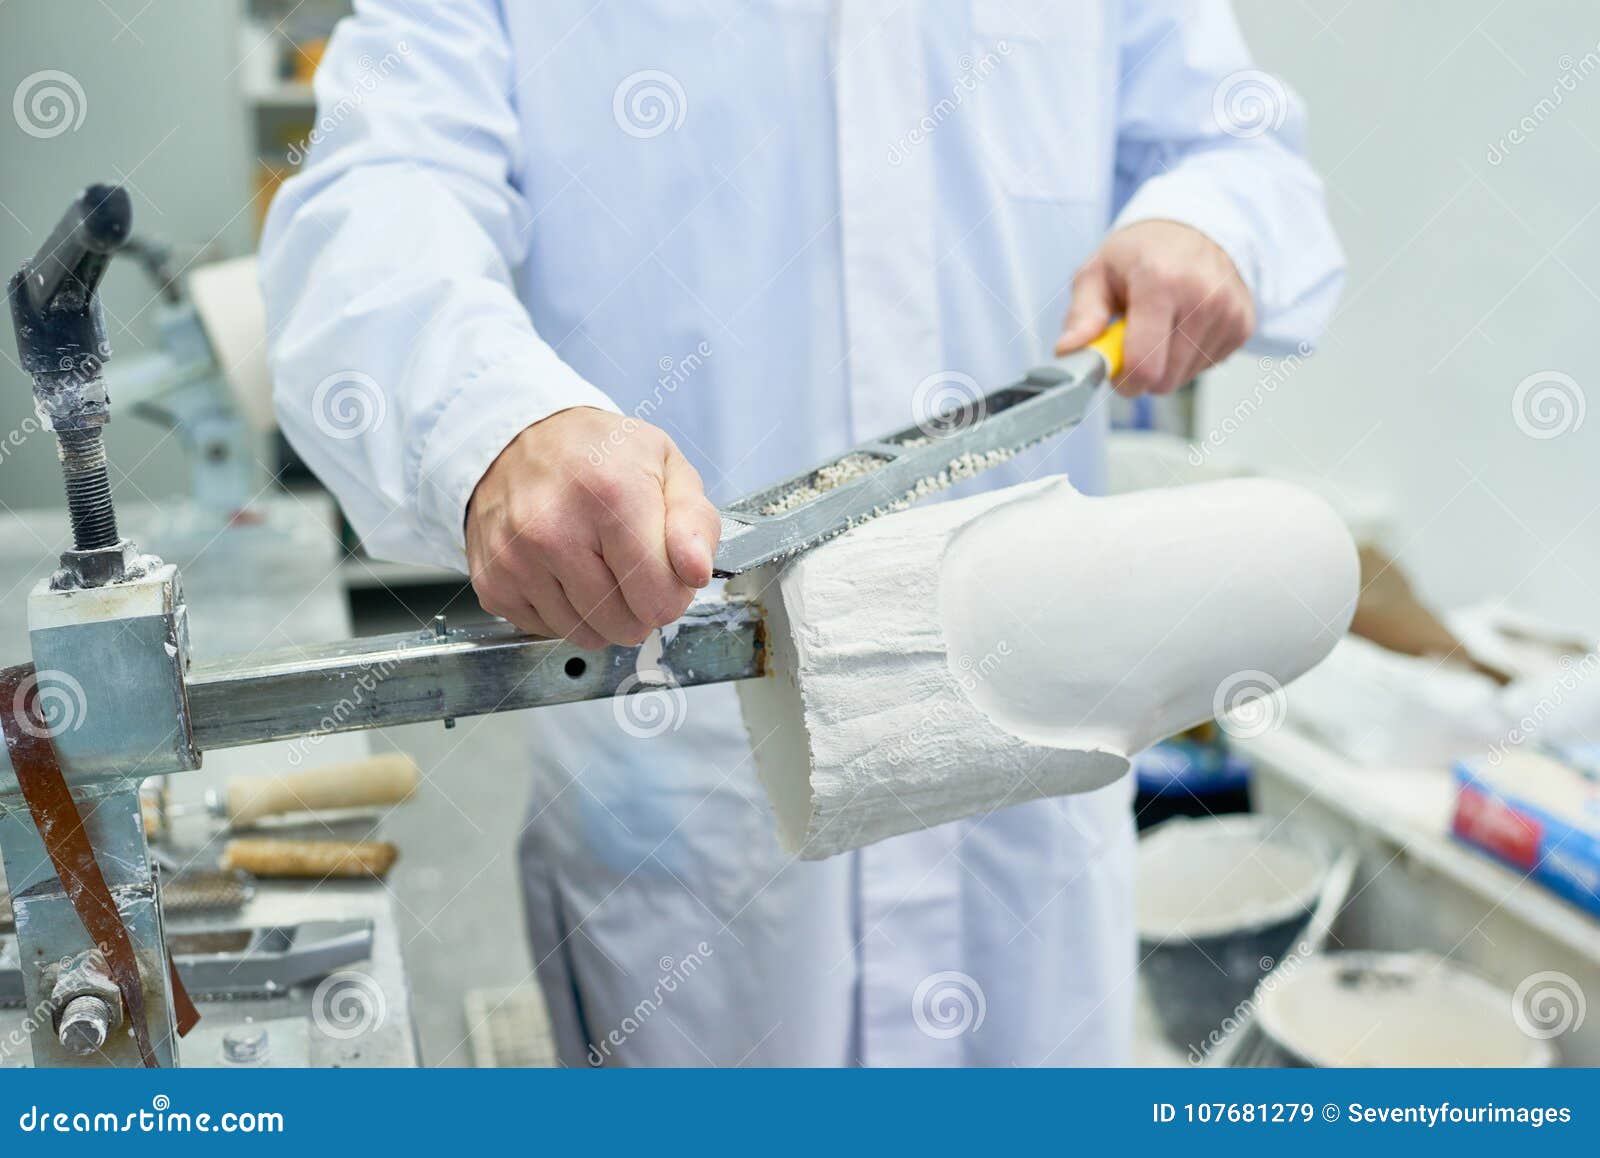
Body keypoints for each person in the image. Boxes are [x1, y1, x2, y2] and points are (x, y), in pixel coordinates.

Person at [261, 0, 1342, 1066]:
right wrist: (492, 422)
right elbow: (378, 196)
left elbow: (1232, 141)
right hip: (698, 803)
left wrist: (1208, 221)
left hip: (1021, 793)